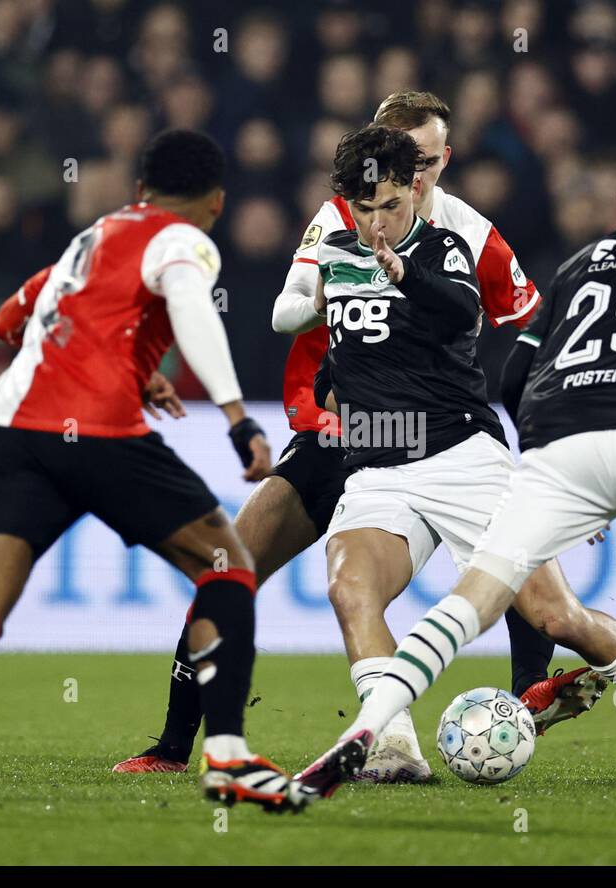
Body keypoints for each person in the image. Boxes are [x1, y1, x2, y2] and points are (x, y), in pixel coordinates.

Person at [300, 132, 616, 805]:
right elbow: (342, 362)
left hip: (461, 458)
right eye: (363, 210)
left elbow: (460, 313)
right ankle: (390, 747)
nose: (376, 222)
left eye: (389, 204)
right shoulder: (333, 258)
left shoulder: (445, 250)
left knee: (557, 618)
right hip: (379, 469)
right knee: (349, 589)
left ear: (415, 191)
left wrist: (402, 274)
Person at [115, 92, 579, 783]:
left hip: (440, 436)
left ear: (442, 160)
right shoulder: (342, 217)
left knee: (522, 579)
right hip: (339, 435)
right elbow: (285, 310)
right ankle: (175, 743)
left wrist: (557, 447)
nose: (406, 175)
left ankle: (520, 704)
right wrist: (325, 300)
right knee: (230, 565)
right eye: (396, 156)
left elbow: (536, 333)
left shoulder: (470, 235)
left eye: (423, 161)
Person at [0, 130, 307, 815]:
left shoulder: (91, 240)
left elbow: (9, 322)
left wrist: (128, 369)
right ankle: (227, 755)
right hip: (98, 433)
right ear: (217, 203)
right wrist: (237, 417)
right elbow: (191, 307)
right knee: (228, 566)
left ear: (139, 189)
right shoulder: (183, 239)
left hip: (7, 432)